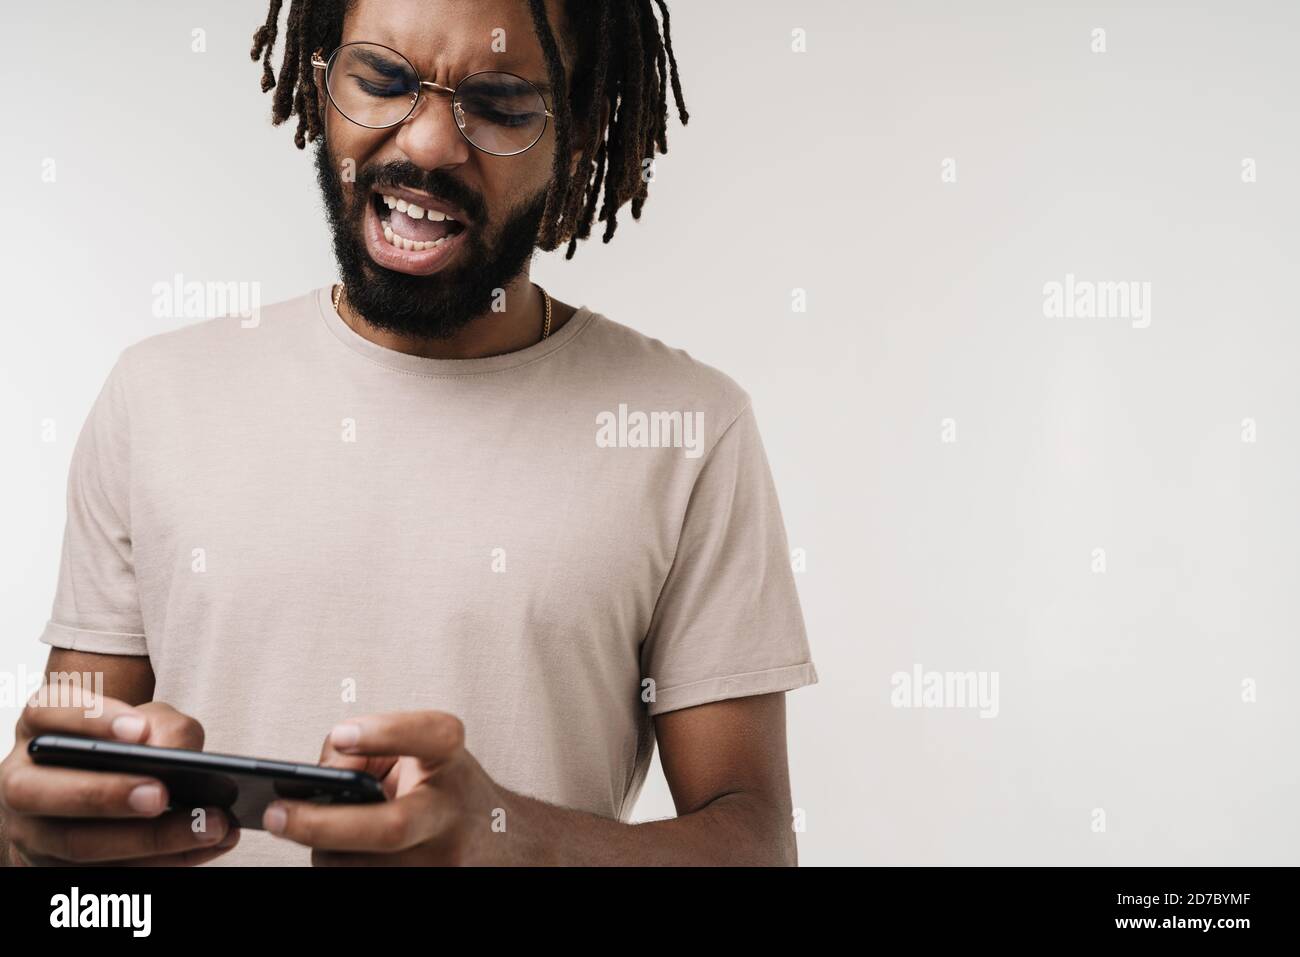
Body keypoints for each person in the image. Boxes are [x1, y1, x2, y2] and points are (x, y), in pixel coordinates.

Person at [0, 0, 816, 866]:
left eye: (501, 105)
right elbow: (65, 775)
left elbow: (756, 841)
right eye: (382, 80)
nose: (427, 145)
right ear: (321, 90)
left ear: (576, 139)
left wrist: (507, 837)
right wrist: (24, 832)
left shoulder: (688, 429)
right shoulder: (154, 394)